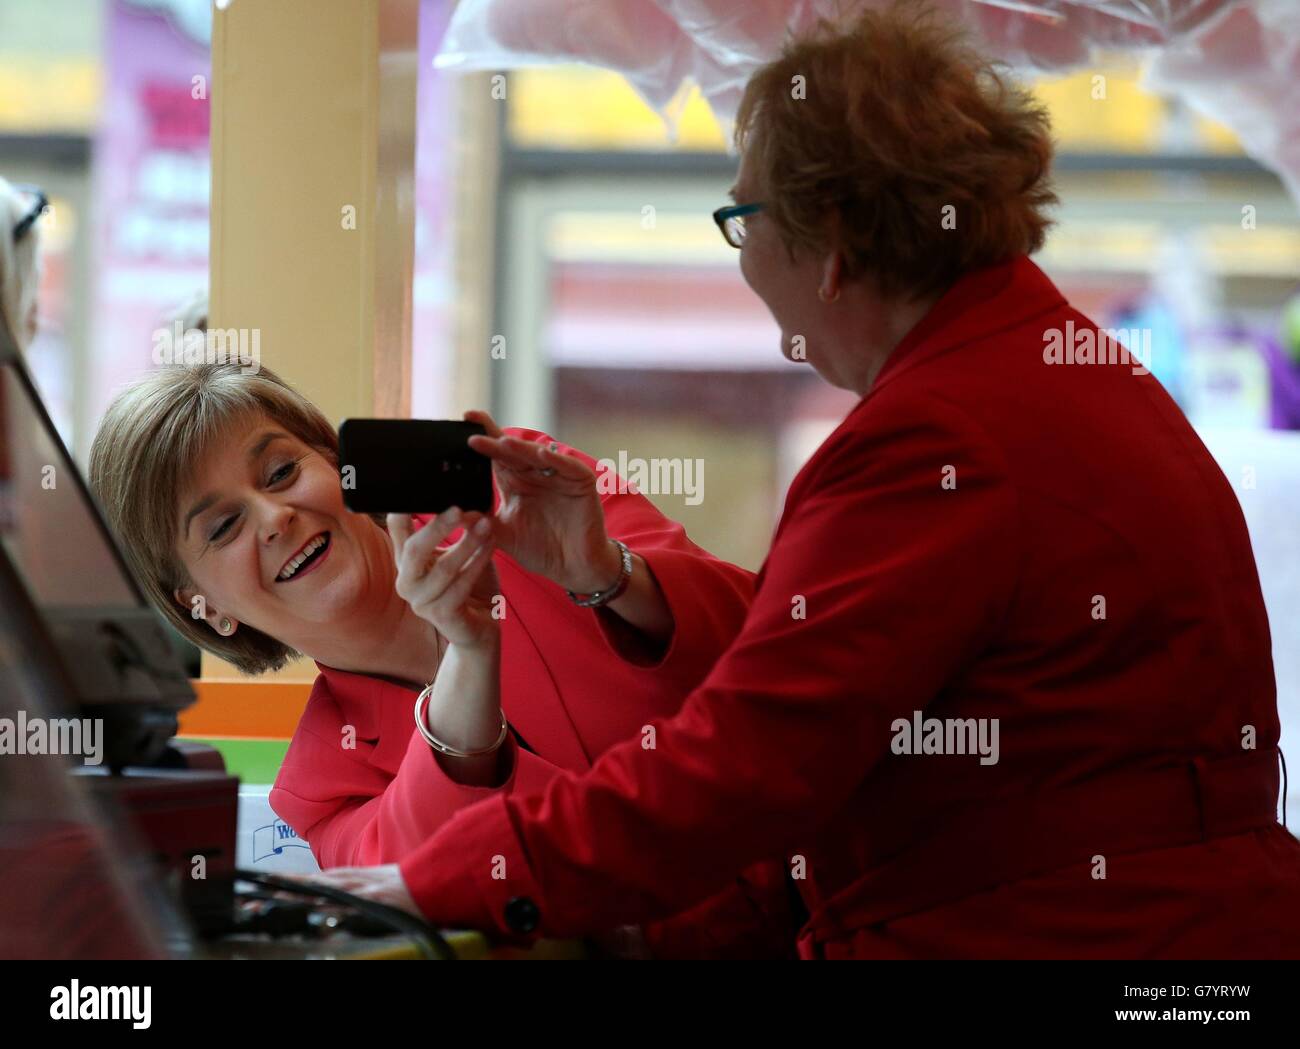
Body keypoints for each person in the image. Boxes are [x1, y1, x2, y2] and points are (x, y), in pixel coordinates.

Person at [308, 5, 1300, 958]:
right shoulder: (1061, 368)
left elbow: (751, 756)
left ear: (826, 242)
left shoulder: (932, 438)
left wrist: (455, 879)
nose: (743, 264)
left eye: (743, 218)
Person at [88, 361, 794, 958]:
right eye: (224, 524)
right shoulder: (318, 789)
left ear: (337, 462)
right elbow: (437, 886)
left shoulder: (507, 499)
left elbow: (771, 647)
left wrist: (604, 571)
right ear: (203, 607)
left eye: (279, 471)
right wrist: (470, 651)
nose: (274, 518)